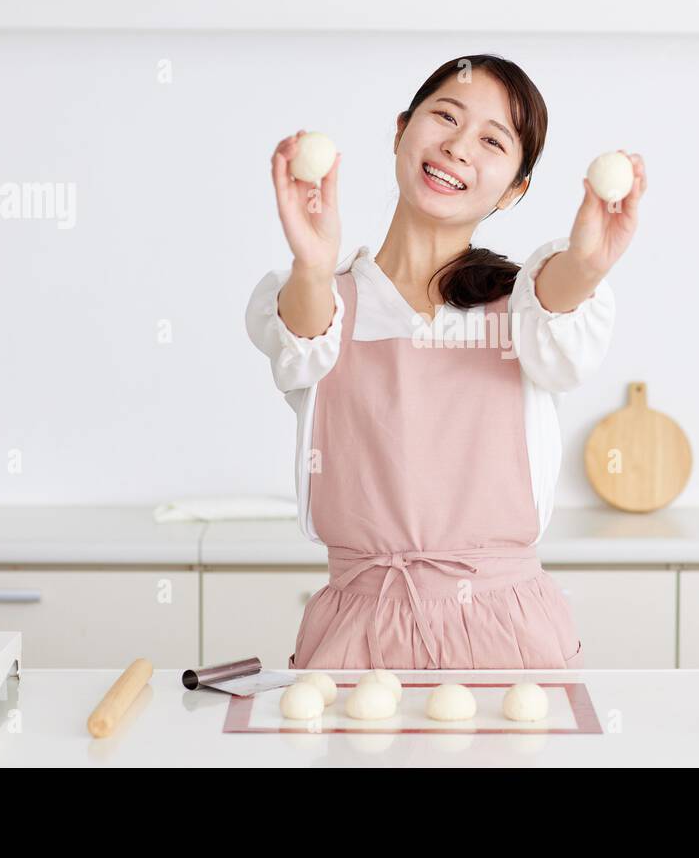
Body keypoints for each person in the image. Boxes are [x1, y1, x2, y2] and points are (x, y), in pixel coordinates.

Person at [247, 54, 646, 669]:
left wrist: (589, 265)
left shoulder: (526, 306)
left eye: (492, 139)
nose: (460, 147)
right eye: (445, 117)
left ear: (516, 187)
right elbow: (300, 340)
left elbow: (560, 299)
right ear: (403, 130)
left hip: (506, 631)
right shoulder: (320, 297)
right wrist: (312, 261)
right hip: (358, 630)